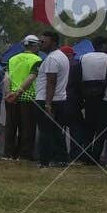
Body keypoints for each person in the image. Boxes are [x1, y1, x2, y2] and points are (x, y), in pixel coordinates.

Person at [35, 30, 71, 168]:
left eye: (44, 41)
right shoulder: (62, 56)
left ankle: (44, 161)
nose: (40, 43)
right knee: (56, 131)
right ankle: (62, 158)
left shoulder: (52, 59)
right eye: (40, 41)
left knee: (45, 132)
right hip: (60, 99)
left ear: (54, 42)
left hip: (47, 99)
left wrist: (48, 104)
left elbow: (51, 82)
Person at [4, 35, 41, 161]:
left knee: (11, 126)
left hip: (10, 97)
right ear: (35, 46)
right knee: (27, 128)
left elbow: (6, 78)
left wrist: (9, 93)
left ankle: (8, 153)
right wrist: (19, 93)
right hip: (28, 97)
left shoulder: (12, 59)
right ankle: (24, 154)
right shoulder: (37, 59)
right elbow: (31, 78)